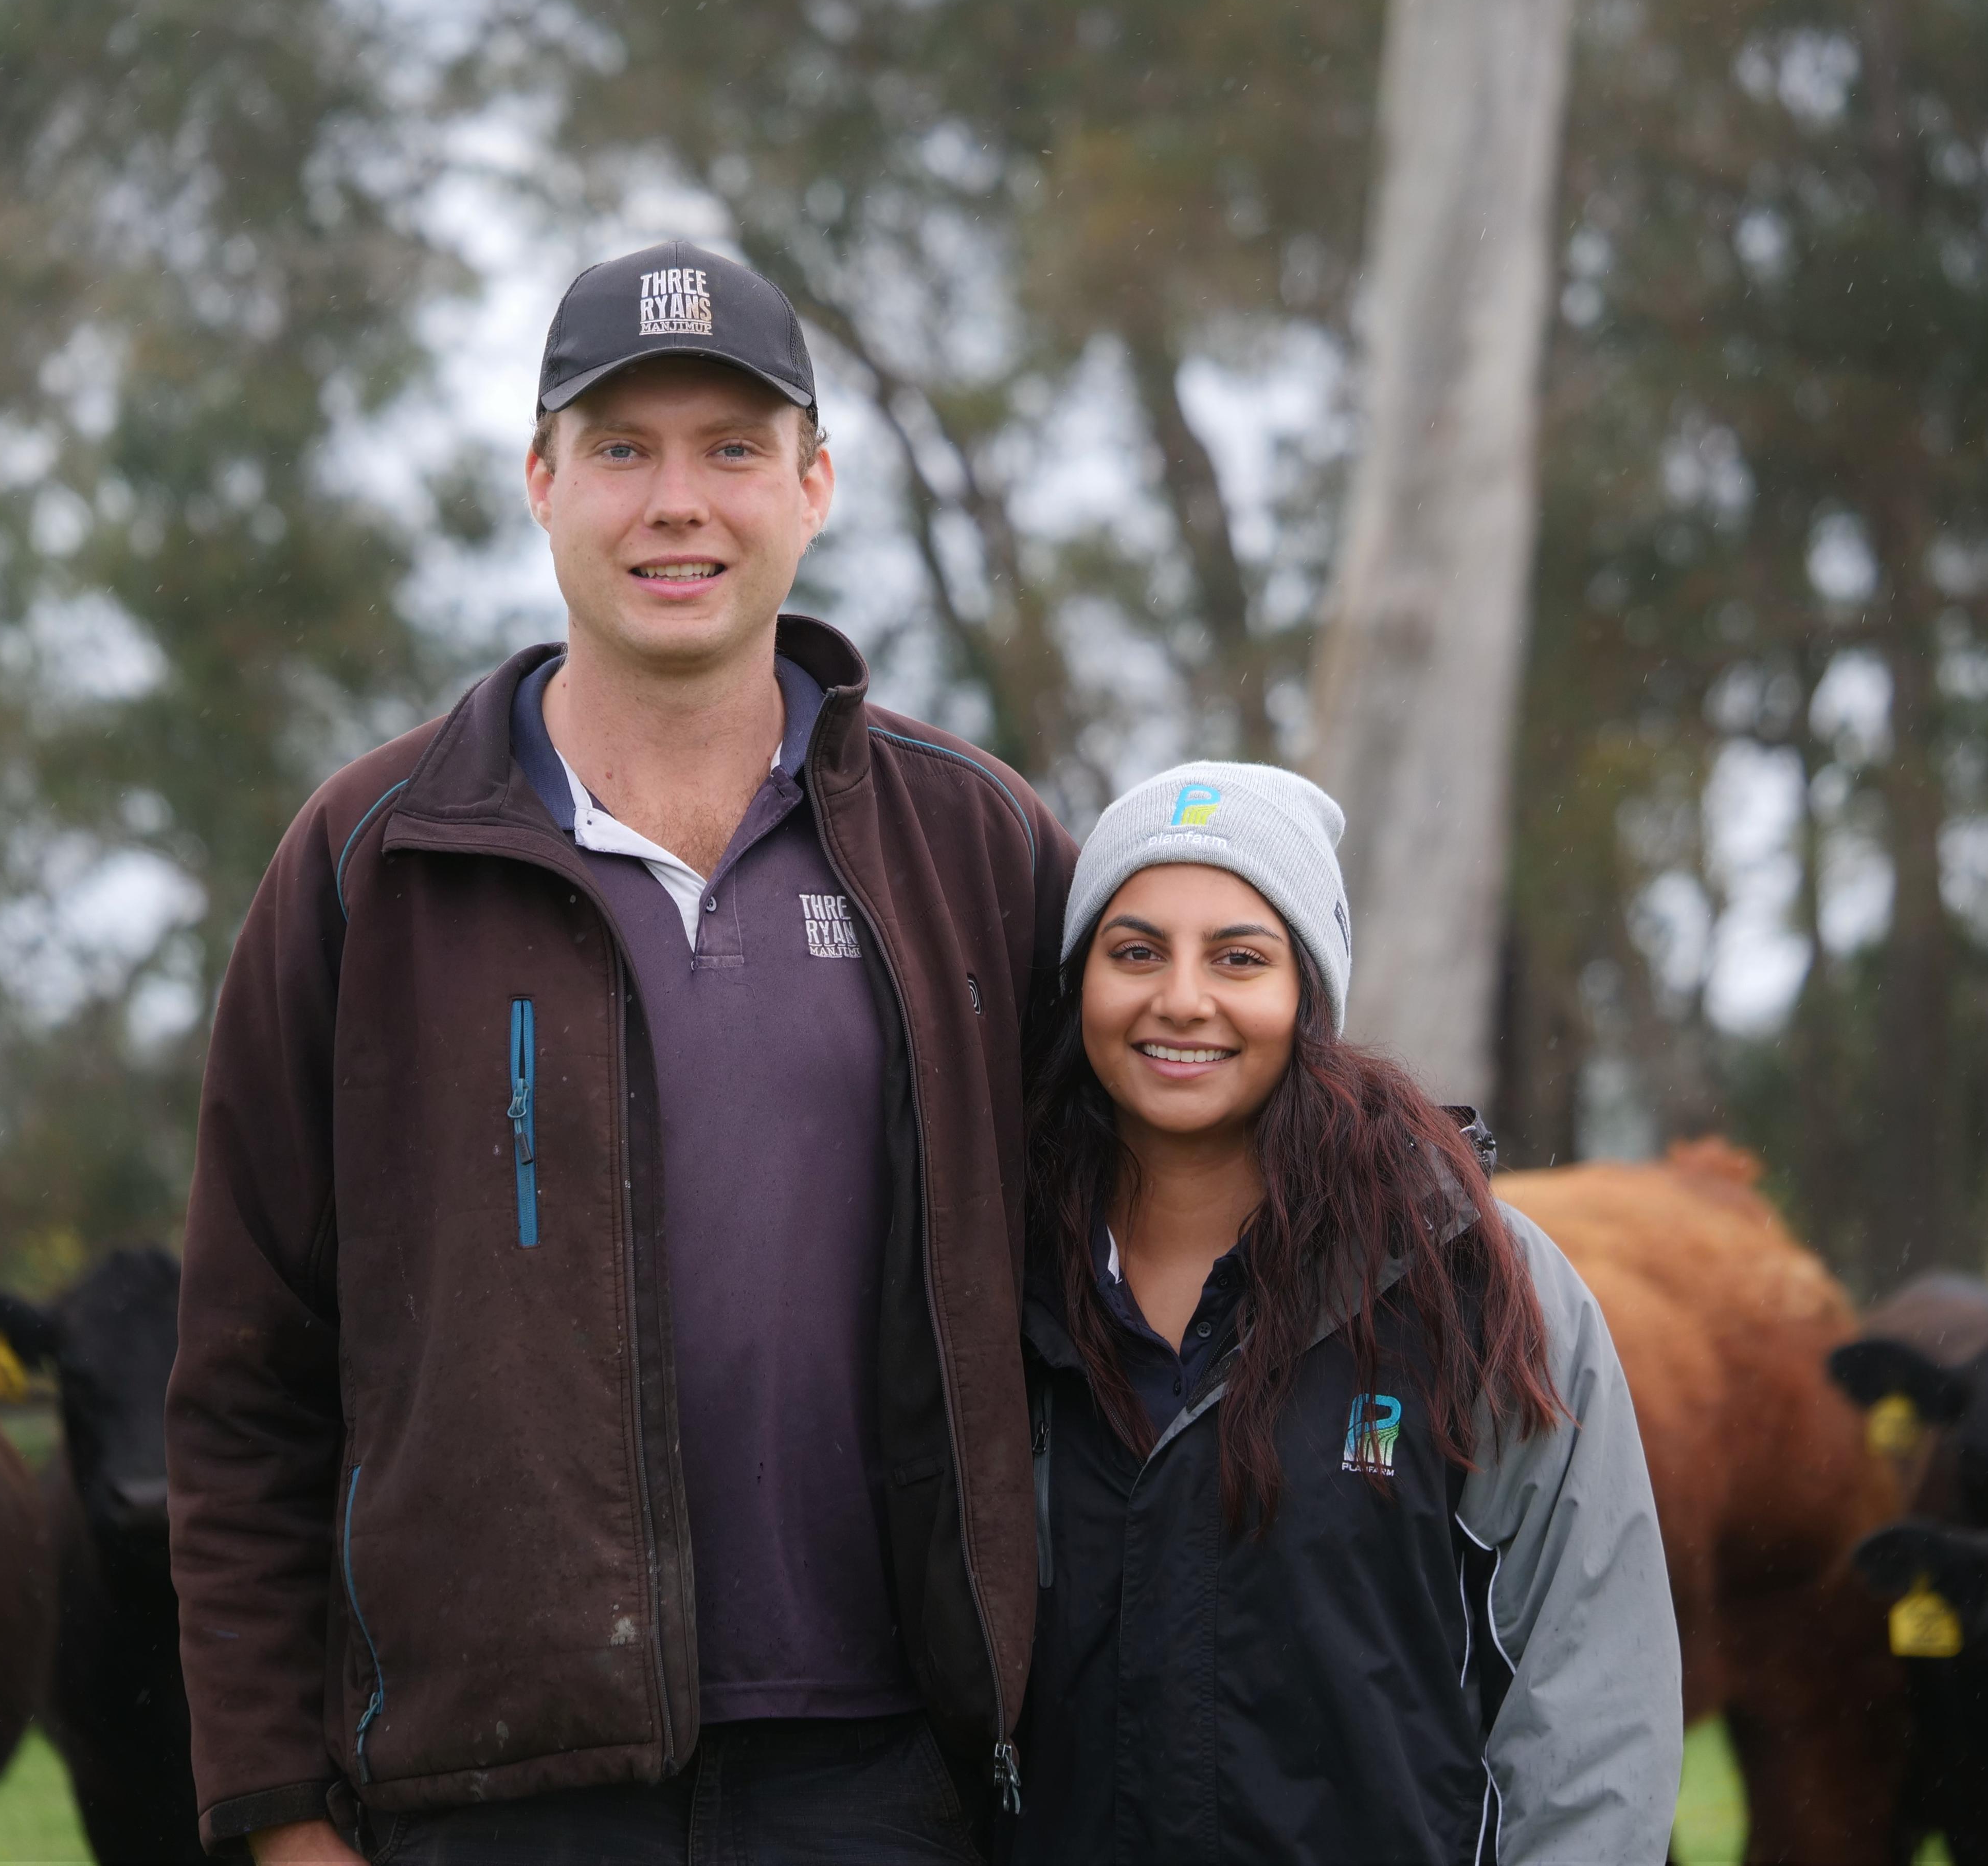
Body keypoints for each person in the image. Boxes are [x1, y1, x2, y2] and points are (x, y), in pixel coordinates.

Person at [165, 243, 1074, 1864]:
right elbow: (246, 1379)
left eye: (733, 449)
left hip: (894, 1784)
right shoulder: (369, 856)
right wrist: (276, 1812)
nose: (679, 504)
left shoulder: (979, 842)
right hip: (491, 1792)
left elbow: (1142, 1251)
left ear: (816, 485)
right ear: (540, 480)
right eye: (622, 449)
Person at [1015, 763, 1682, 1864]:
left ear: (1308, 996)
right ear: (1079, 980)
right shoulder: (989, 1273)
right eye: (1134, 951)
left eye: (1239, 957)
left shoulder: (1474, 1284)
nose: (1181, 998)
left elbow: (1590, 1699)